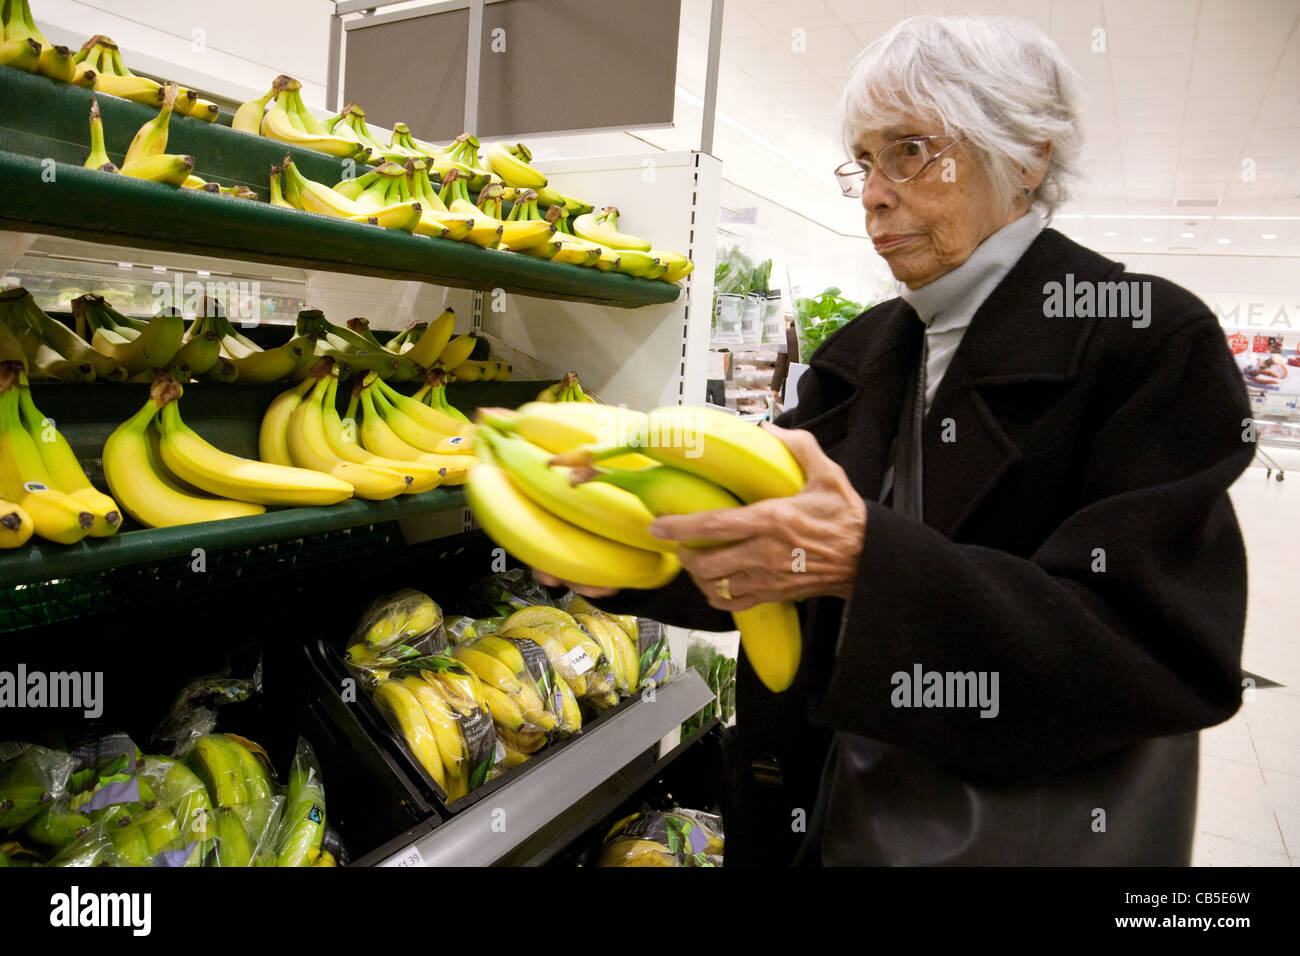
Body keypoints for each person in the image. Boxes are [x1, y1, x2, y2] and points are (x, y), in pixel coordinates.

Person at [537, 15, 1253, 865]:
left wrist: (871, 563)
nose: (875, 192)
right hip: (825, 814)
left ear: (1027, 157)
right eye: (865, 160)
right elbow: (765, 553)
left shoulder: (1145, 340)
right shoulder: (864, 352)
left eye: (910, 151)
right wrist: (614, 559)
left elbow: (1158, 650)